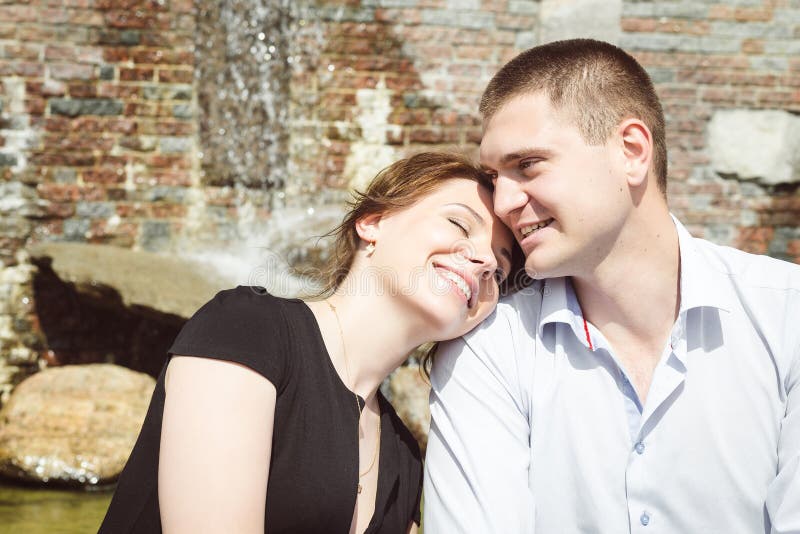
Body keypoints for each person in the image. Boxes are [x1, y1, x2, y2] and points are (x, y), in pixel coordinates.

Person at [424, 39, 800, 533]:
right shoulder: (490, 348)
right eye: (496, 177)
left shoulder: (786, 314)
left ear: (631, 151)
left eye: (528, 165)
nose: (502, 203)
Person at [98, 152, 521, 534]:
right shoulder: (247, 329)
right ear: (373, 222)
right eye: (459, 223)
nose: (484, 261)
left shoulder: (404, 460)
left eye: (500, 271)